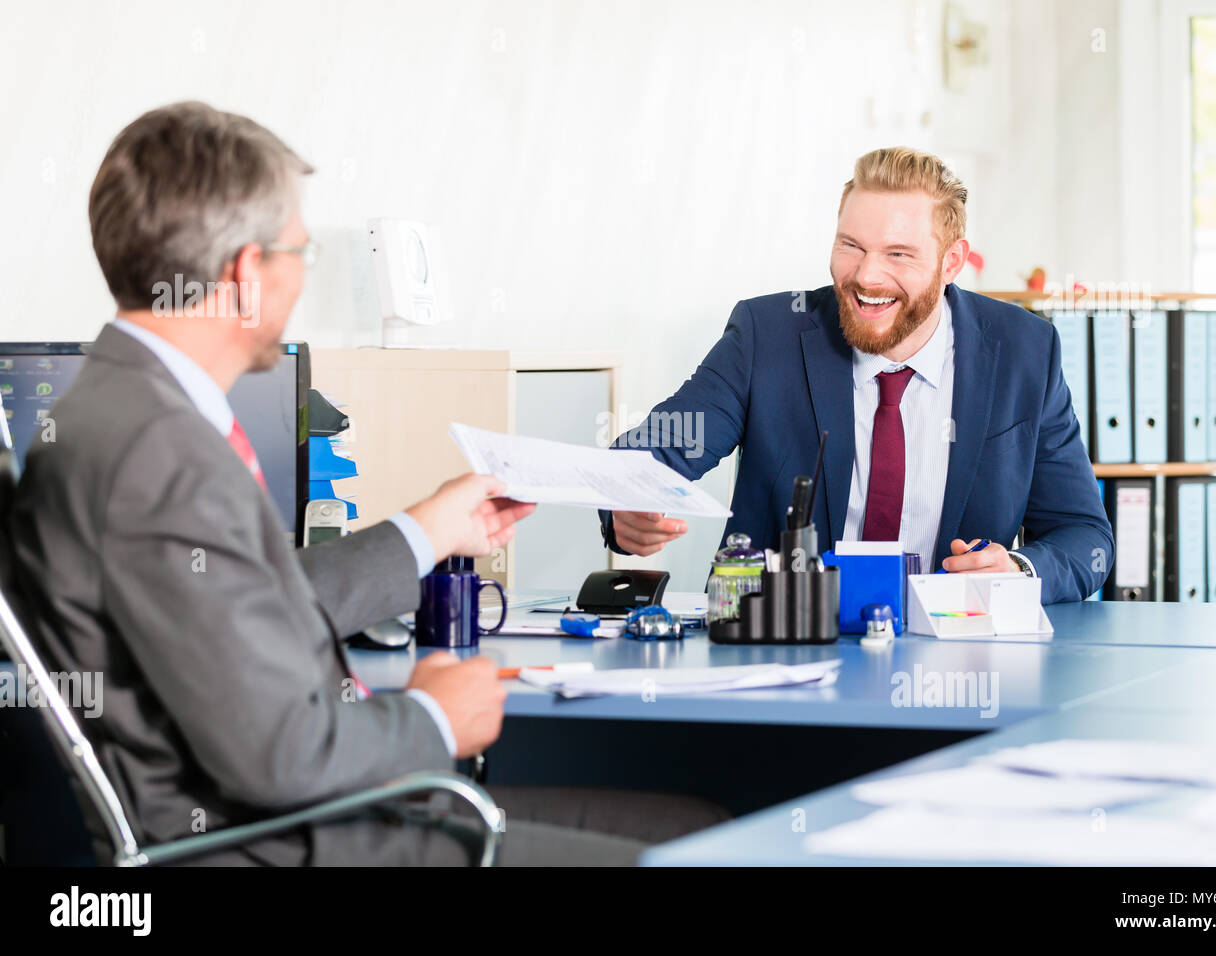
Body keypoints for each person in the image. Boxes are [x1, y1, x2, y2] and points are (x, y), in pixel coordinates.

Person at [10, 102, 723, 866]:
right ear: (249, 271)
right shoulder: (162, 454)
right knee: (700, 847)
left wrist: (426, 530)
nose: (299, 279)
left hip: (287, 825)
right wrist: (433, 718)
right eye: (299, 254)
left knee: (691, 823)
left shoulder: (120, 409)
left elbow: (244, 604)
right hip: (287, 846)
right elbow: (280, 755)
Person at [601, 147, 1113, 604]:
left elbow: (1083, 536)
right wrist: (625, 509)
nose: (866, 276)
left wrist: (1017, 571)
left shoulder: (1024, 350)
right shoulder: (768, 335)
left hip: (952, 659)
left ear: (951, 262)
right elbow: (655, 451)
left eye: (898, 254)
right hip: (781, 650)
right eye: (851, 246)